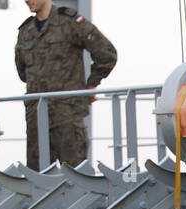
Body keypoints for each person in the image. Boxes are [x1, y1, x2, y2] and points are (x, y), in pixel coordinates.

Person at [15, 0, 117, 170]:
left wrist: (91, 85)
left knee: (75, 178)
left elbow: (106, 54)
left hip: (67, 116)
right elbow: (23, 73)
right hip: (37, 118)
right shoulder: (25, 31)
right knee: (37, 181)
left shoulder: (69, 21)